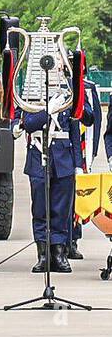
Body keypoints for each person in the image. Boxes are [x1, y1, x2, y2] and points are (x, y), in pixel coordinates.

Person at [15, 81, 91, 274]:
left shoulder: (69, 95)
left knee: (61, 210)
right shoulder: (32, 96)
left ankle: (59, 253)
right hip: (39, 157)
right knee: (40, 209)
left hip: (63, 160)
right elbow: (29, 124)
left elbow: (74, 132)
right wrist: (47, 111)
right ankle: (42, 254)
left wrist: (77, 165)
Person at [69, 76, 101, 259]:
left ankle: (73, 239)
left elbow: (94, 123)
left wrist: (92, 153)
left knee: (76, 199)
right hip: (60, 150)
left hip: (79, 150)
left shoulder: (85, 88)